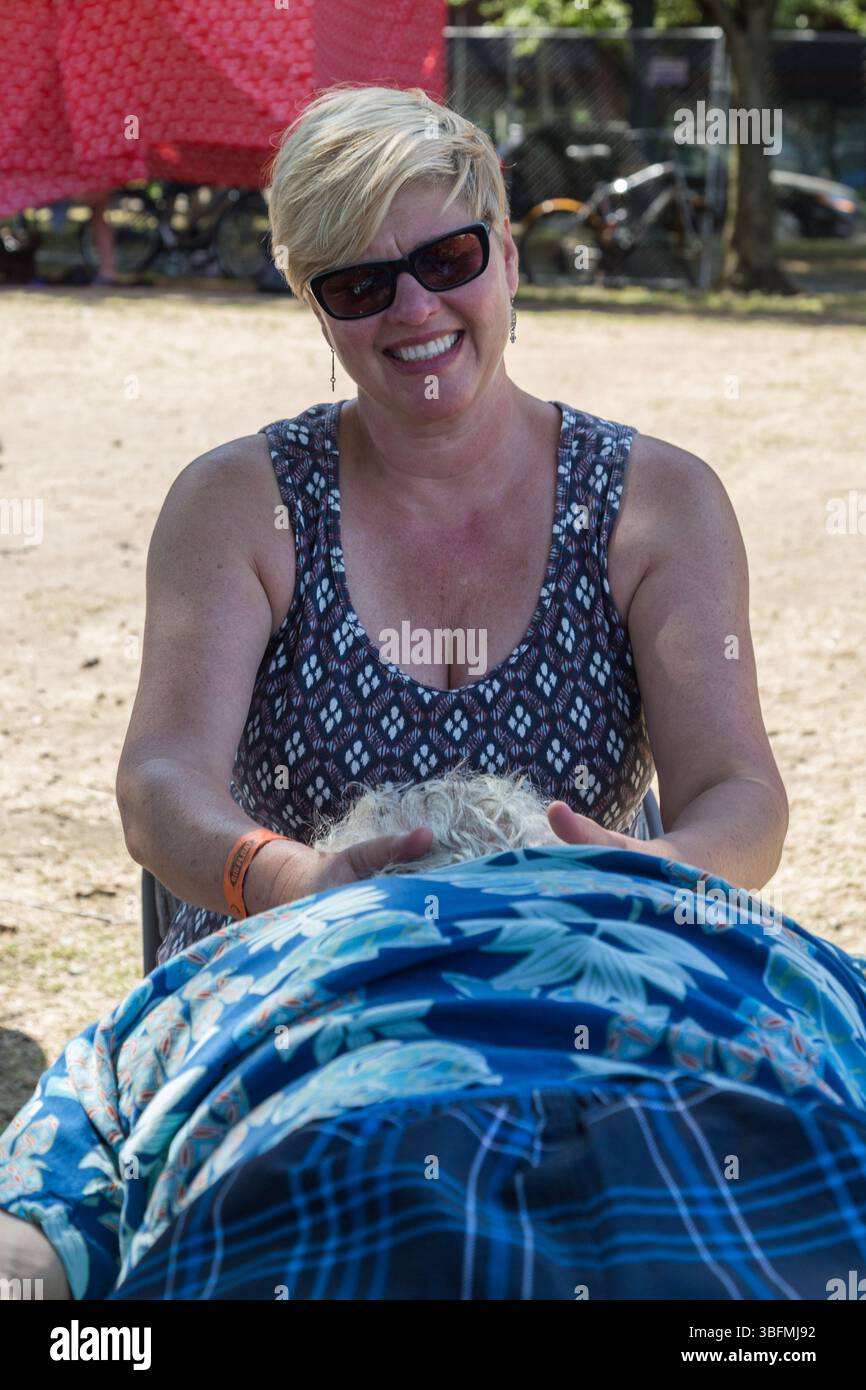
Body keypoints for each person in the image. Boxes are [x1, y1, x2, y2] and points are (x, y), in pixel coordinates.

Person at [114, 82, 788, 972]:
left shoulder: (658, 503)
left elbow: (737, 793)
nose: (415, 309)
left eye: (447, 259)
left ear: (507, 260)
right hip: (295, 989)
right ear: (319, 313)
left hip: (580, 974)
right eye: (359, 284)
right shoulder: (239, 506)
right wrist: (284, 881)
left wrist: (647, 875)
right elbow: (161, 784)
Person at [1, 769, 864, 1301]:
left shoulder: (230, 969)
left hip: (314, 1200)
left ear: (347, 885)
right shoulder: (754, 944)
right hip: (756, 1194)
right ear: (579, 861)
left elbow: (32, 1246)